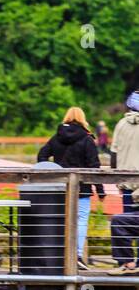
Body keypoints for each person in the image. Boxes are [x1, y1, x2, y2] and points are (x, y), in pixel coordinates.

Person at [37, 107, 105, 269]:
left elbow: (42, 156)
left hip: (60, 187)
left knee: (61, 221)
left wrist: (52, 173)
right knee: (80, 221)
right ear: (83, 118)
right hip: (82, 188)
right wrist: (100, 190)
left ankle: (59, 255)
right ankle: (77, 255)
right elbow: (94, 166)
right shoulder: (87, 139)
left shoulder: (56, 137)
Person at [114, 92, 139, 214]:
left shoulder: (121, 124)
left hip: (127, 182)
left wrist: (116, 179)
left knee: (128, 224)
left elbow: (114, 154)